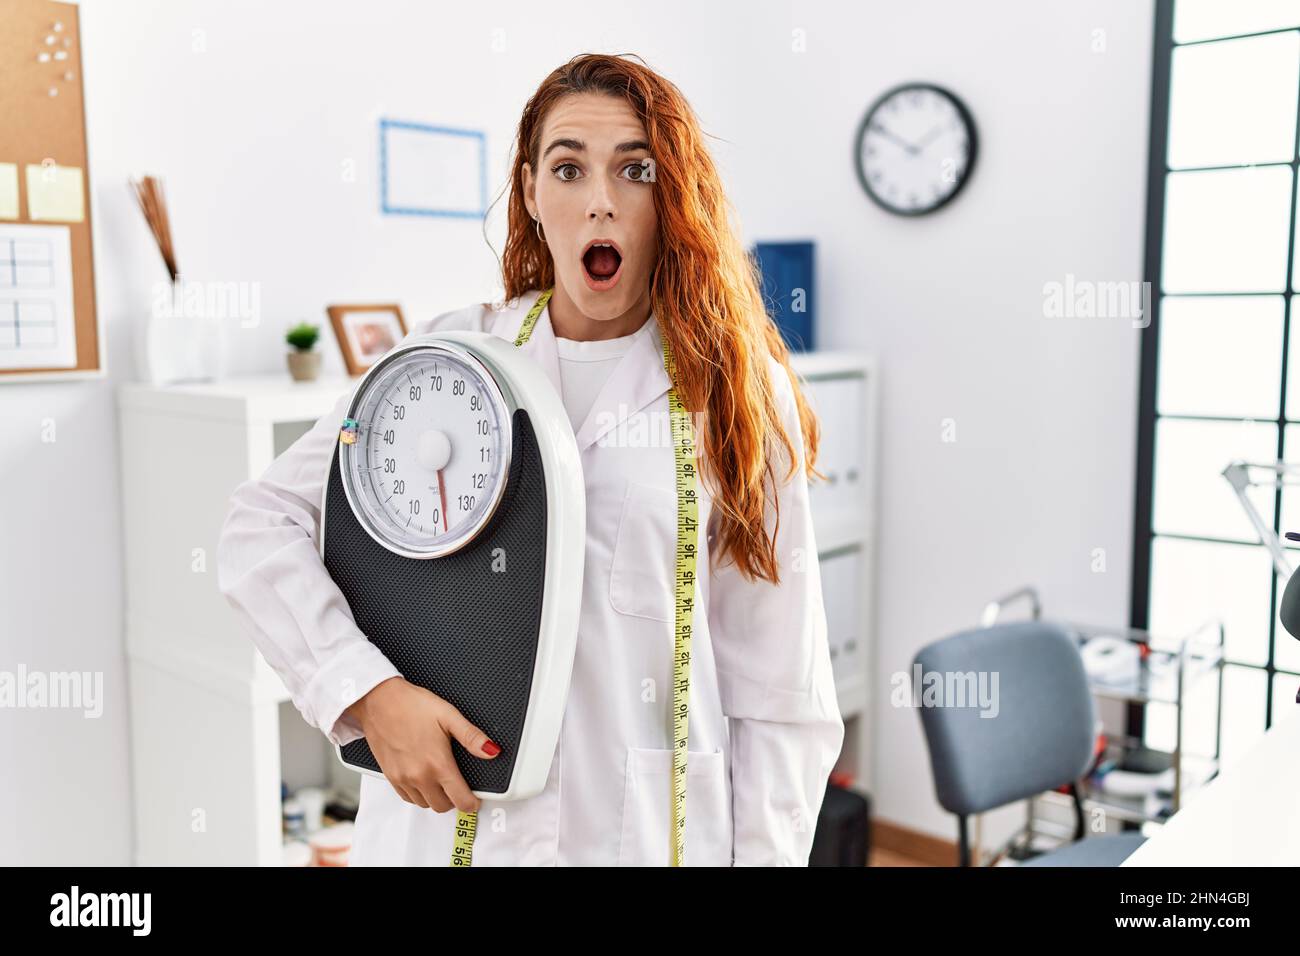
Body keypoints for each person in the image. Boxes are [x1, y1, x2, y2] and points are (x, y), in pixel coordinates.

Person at [217, 53, 844, 866]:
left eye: (635, 169)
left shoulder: (737, 393)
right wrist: (366, 695)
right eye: (569, 168)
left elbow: (778, 697)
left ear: (673, 196)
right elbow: (259, 524)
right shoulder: (447, 357)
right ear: (530, 192)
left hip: (639, 838)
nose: (601, 204)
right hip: (443, 834)